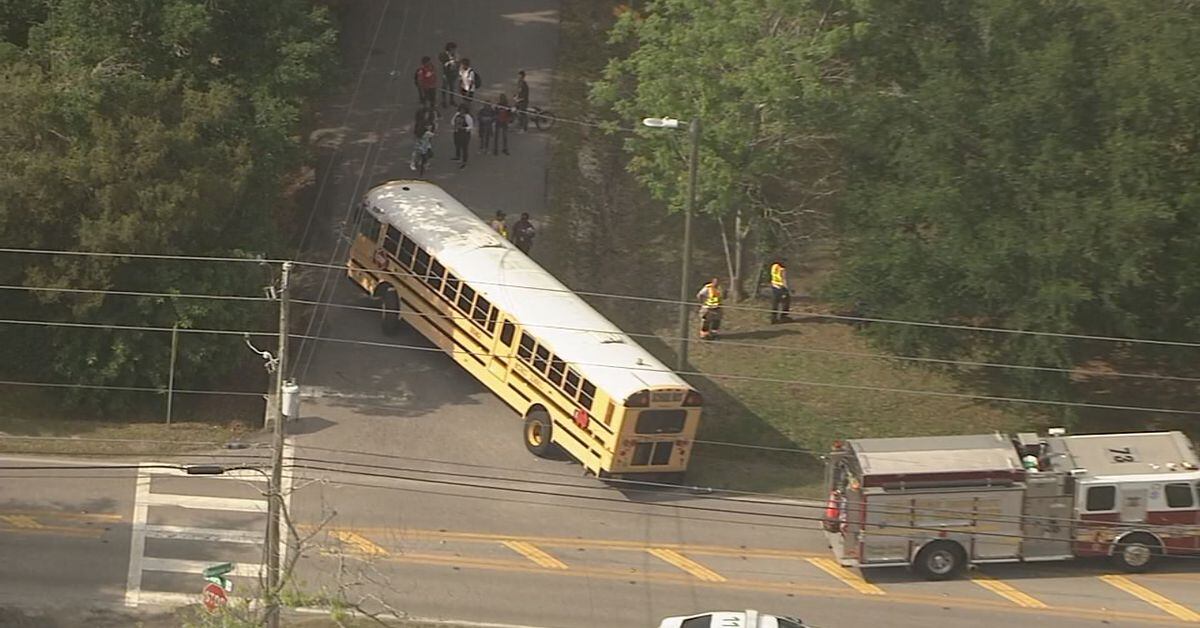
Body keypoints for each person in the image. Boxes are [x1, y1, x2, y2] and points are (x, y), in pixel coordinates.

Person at [768, 257, 792, 323]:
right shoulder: (782, 270)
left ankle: (773, 317)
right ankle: (783, 317)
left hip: (774, 286)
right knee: (786, 302)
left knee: (775, 302)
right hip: (782, 287)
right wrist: (787, 289)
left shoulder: (774, 266)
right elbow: (784, 280)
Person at [450, 104, 474, 168]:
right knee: (457, 144)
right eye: (460, 110)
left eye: (463, 110)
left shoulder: (467, 117)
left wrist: (464, 128)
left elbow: (471, 126)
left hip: (464, 134)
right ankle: (457, 156)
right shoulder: (457, 114)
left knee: (464, 147)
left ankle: (464, 160)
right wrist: (455, 125)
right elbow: (452, 121)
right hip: (457, 132)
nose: (461, 111)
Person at [437, 42, 459, 108]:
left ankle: (451, 100)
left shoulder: (455, 55)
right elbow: (443, 62)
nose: (454, 50)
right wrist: (450, 62)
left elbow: (457, 63)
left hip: (453, 73)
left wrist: (457, 64)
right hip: (446, 73)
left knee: (452, 88)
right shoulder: (443, 54)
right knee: (444, 87)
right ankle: (444, 101)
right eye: (453, 49)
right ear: (450, 48)